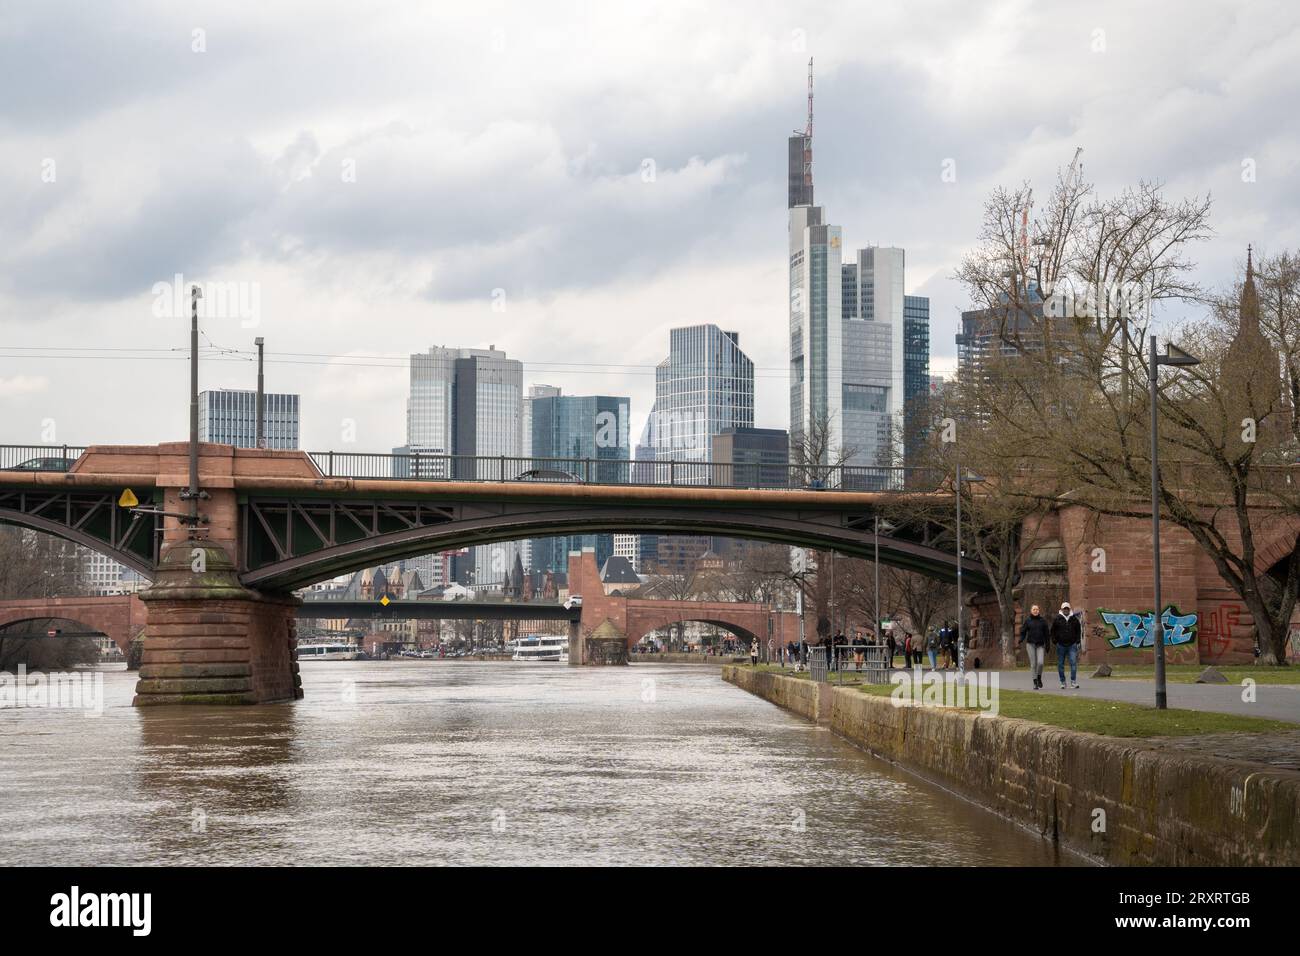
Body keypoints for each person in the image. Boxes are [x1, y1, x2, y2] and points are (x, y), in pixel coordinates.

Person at [1050, 601, 1082, 689]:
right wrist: (1054, 640)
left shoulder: (1074, 619)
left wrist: (1077, 640)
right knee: (1060, 664)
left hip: (1072, 644)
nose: (1066, 610)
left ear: (1069, 609)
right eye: (1064, 609)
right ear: (1062, 609)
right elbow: (1052, 631)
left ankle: (1073, 681)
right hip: (1061, 645)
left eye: (1067, 608)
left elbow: (1078, 630)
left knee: (1073, 663)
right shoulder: (1057, 619)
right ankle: (1063, 682)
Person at [1018, 603, 1050, 689]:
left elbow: (1047, 634)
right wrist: (1021, 639)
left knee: (1040, 663)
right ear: (1031, 611)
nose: (1035, 611)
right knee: (1033, 664)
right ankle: (1035, 682)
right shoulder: (1028, 621)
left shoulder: (1043, 621)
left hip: (1040, 645)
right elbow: (1023, 631)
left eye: (1037, 609)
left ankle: (1039, 677)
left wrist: (1048, 645)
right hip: (1030, 644)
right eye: (1034, 609)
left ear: (1039, 611)